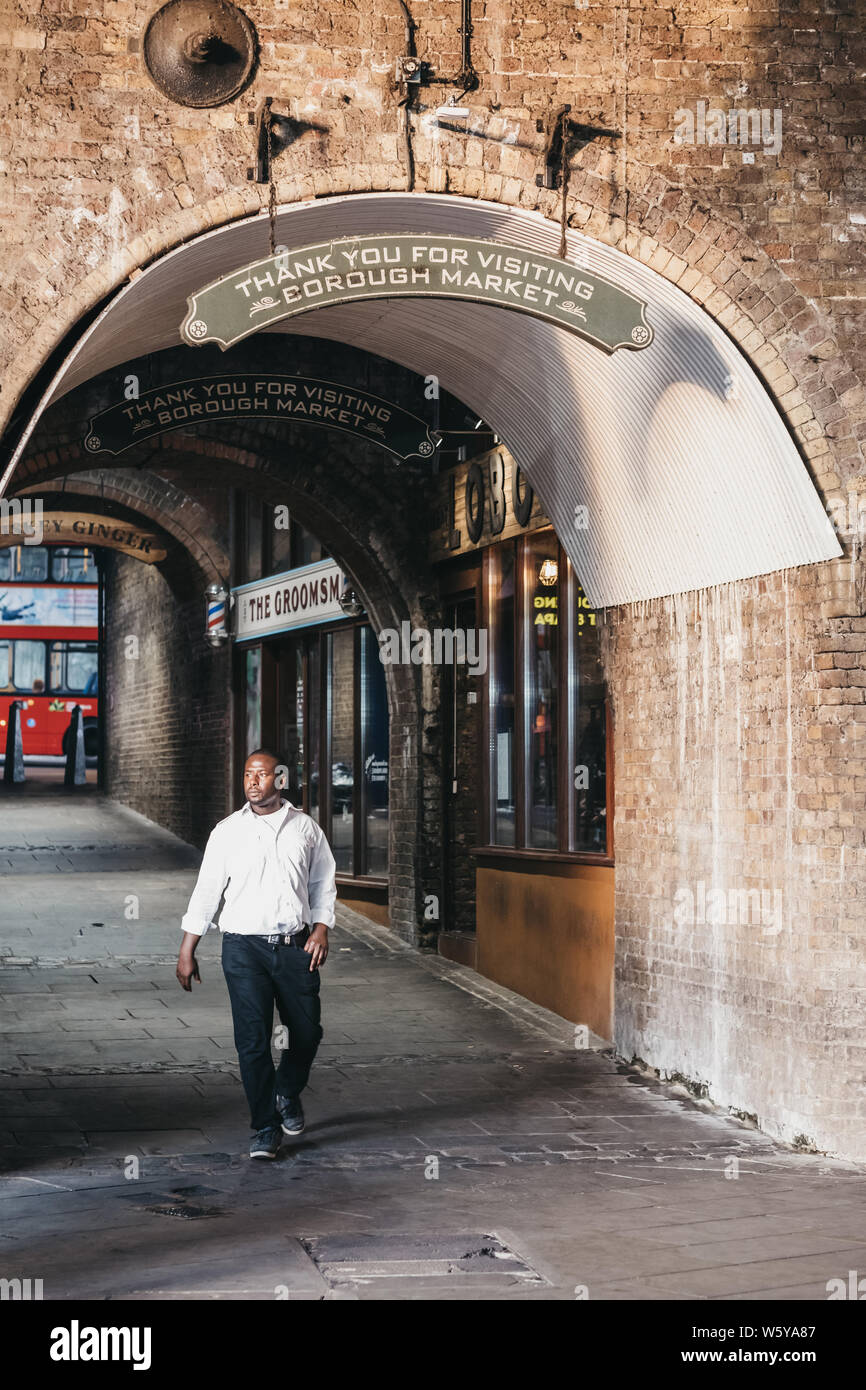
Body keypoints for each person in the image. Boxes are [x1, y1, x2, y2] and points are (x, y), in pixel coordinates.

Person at [176, 748, 337, 1160]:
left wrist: (320, 929)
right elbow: (207, 891)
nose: (252, 782)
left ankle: (287, 1089)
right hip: (242, 949)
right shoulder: (227, 832)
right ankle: (264, 1126)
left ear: (279, 781)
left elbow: (323, 883)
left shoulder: (306, 829)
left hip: (296, 947)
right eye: (248, 774)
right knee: (252, 1041)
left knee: (307, 1033)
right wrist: (187, 948)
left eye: (262, 775)